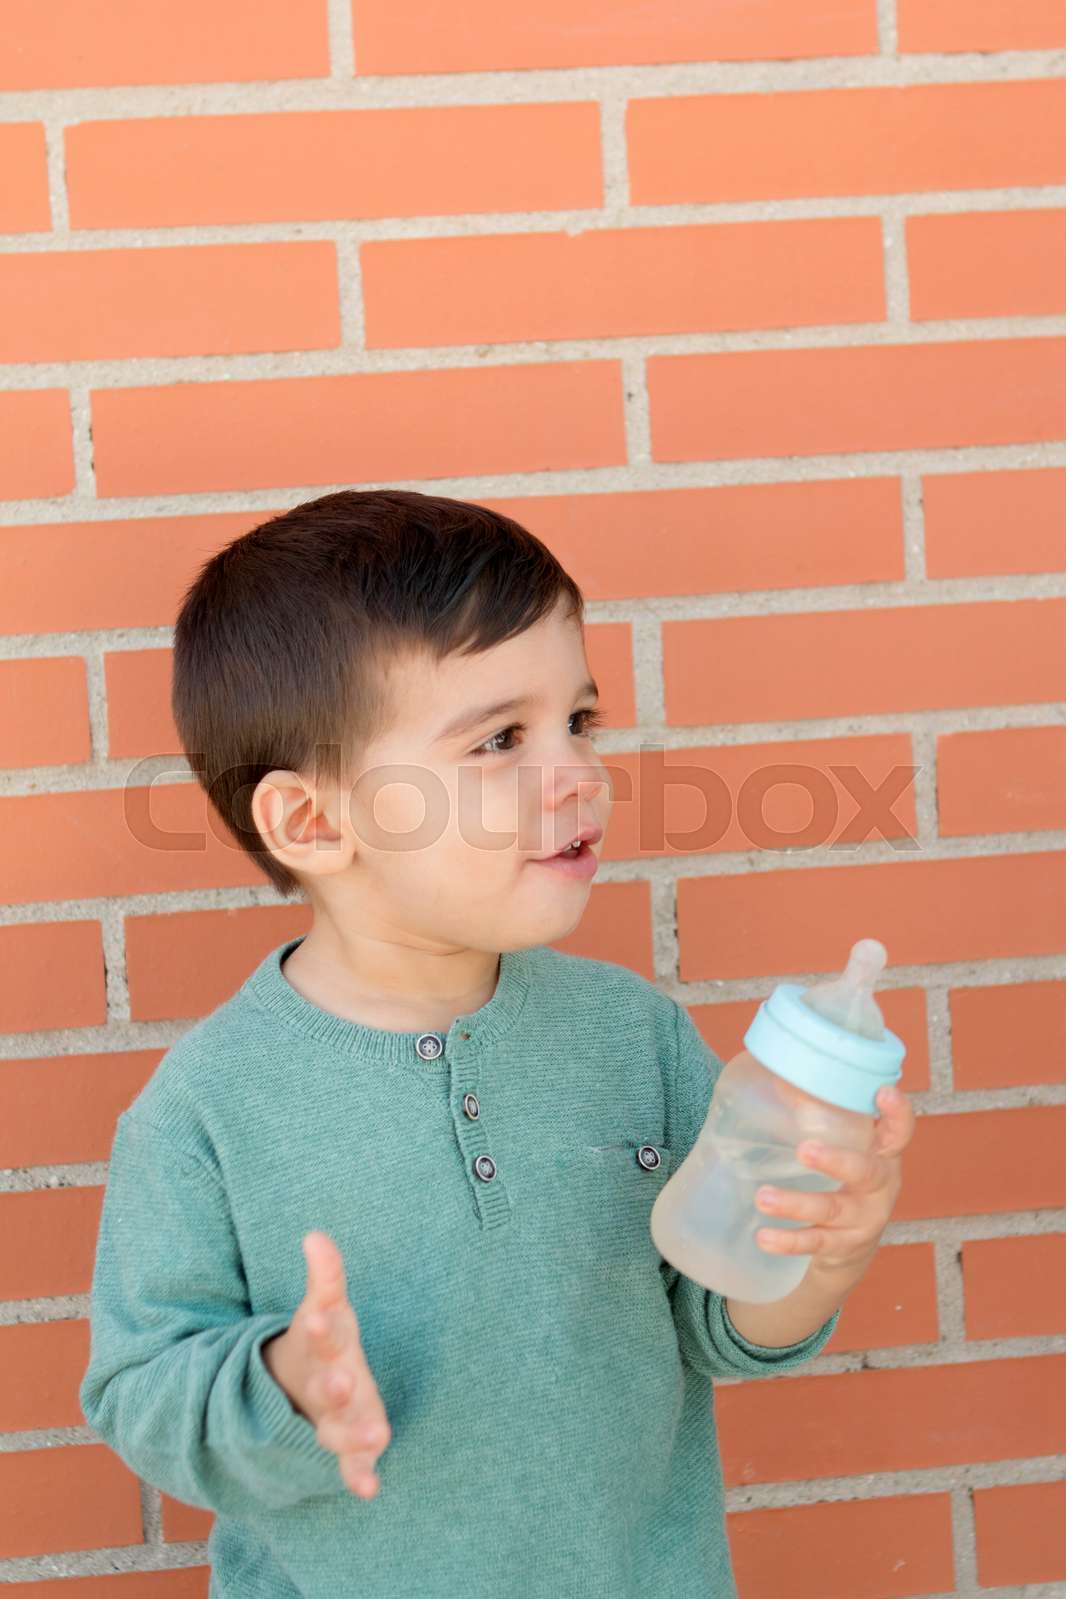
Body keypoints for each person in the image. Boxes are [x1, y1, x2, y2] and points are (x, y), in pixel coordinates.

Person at [79, 488, 913, 1598]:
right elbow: (139, 1391)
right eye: (501, 739)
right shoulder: (209, 1107)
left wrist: (822, 1255)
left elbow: (718, 1325)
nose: (576, 772)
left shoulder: (633, 1036)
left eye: (580, 722)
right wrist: (282, 1385)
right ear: (314, 822)